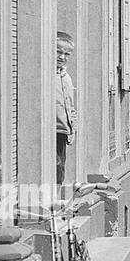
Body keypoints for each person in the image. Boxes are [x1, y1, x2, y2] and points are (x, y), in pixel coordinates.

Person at [55, 32, 76, 186]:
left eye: (66, 54)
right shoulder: (48, 75)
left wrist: (72, 127)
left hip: (63, 131)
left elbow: (70, 105)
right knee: (54, 169)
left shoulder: (66, 78)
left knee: (60, 169)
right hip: (51, 131)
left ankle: (56, 204)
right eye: (58, 52)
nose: (62, 57)